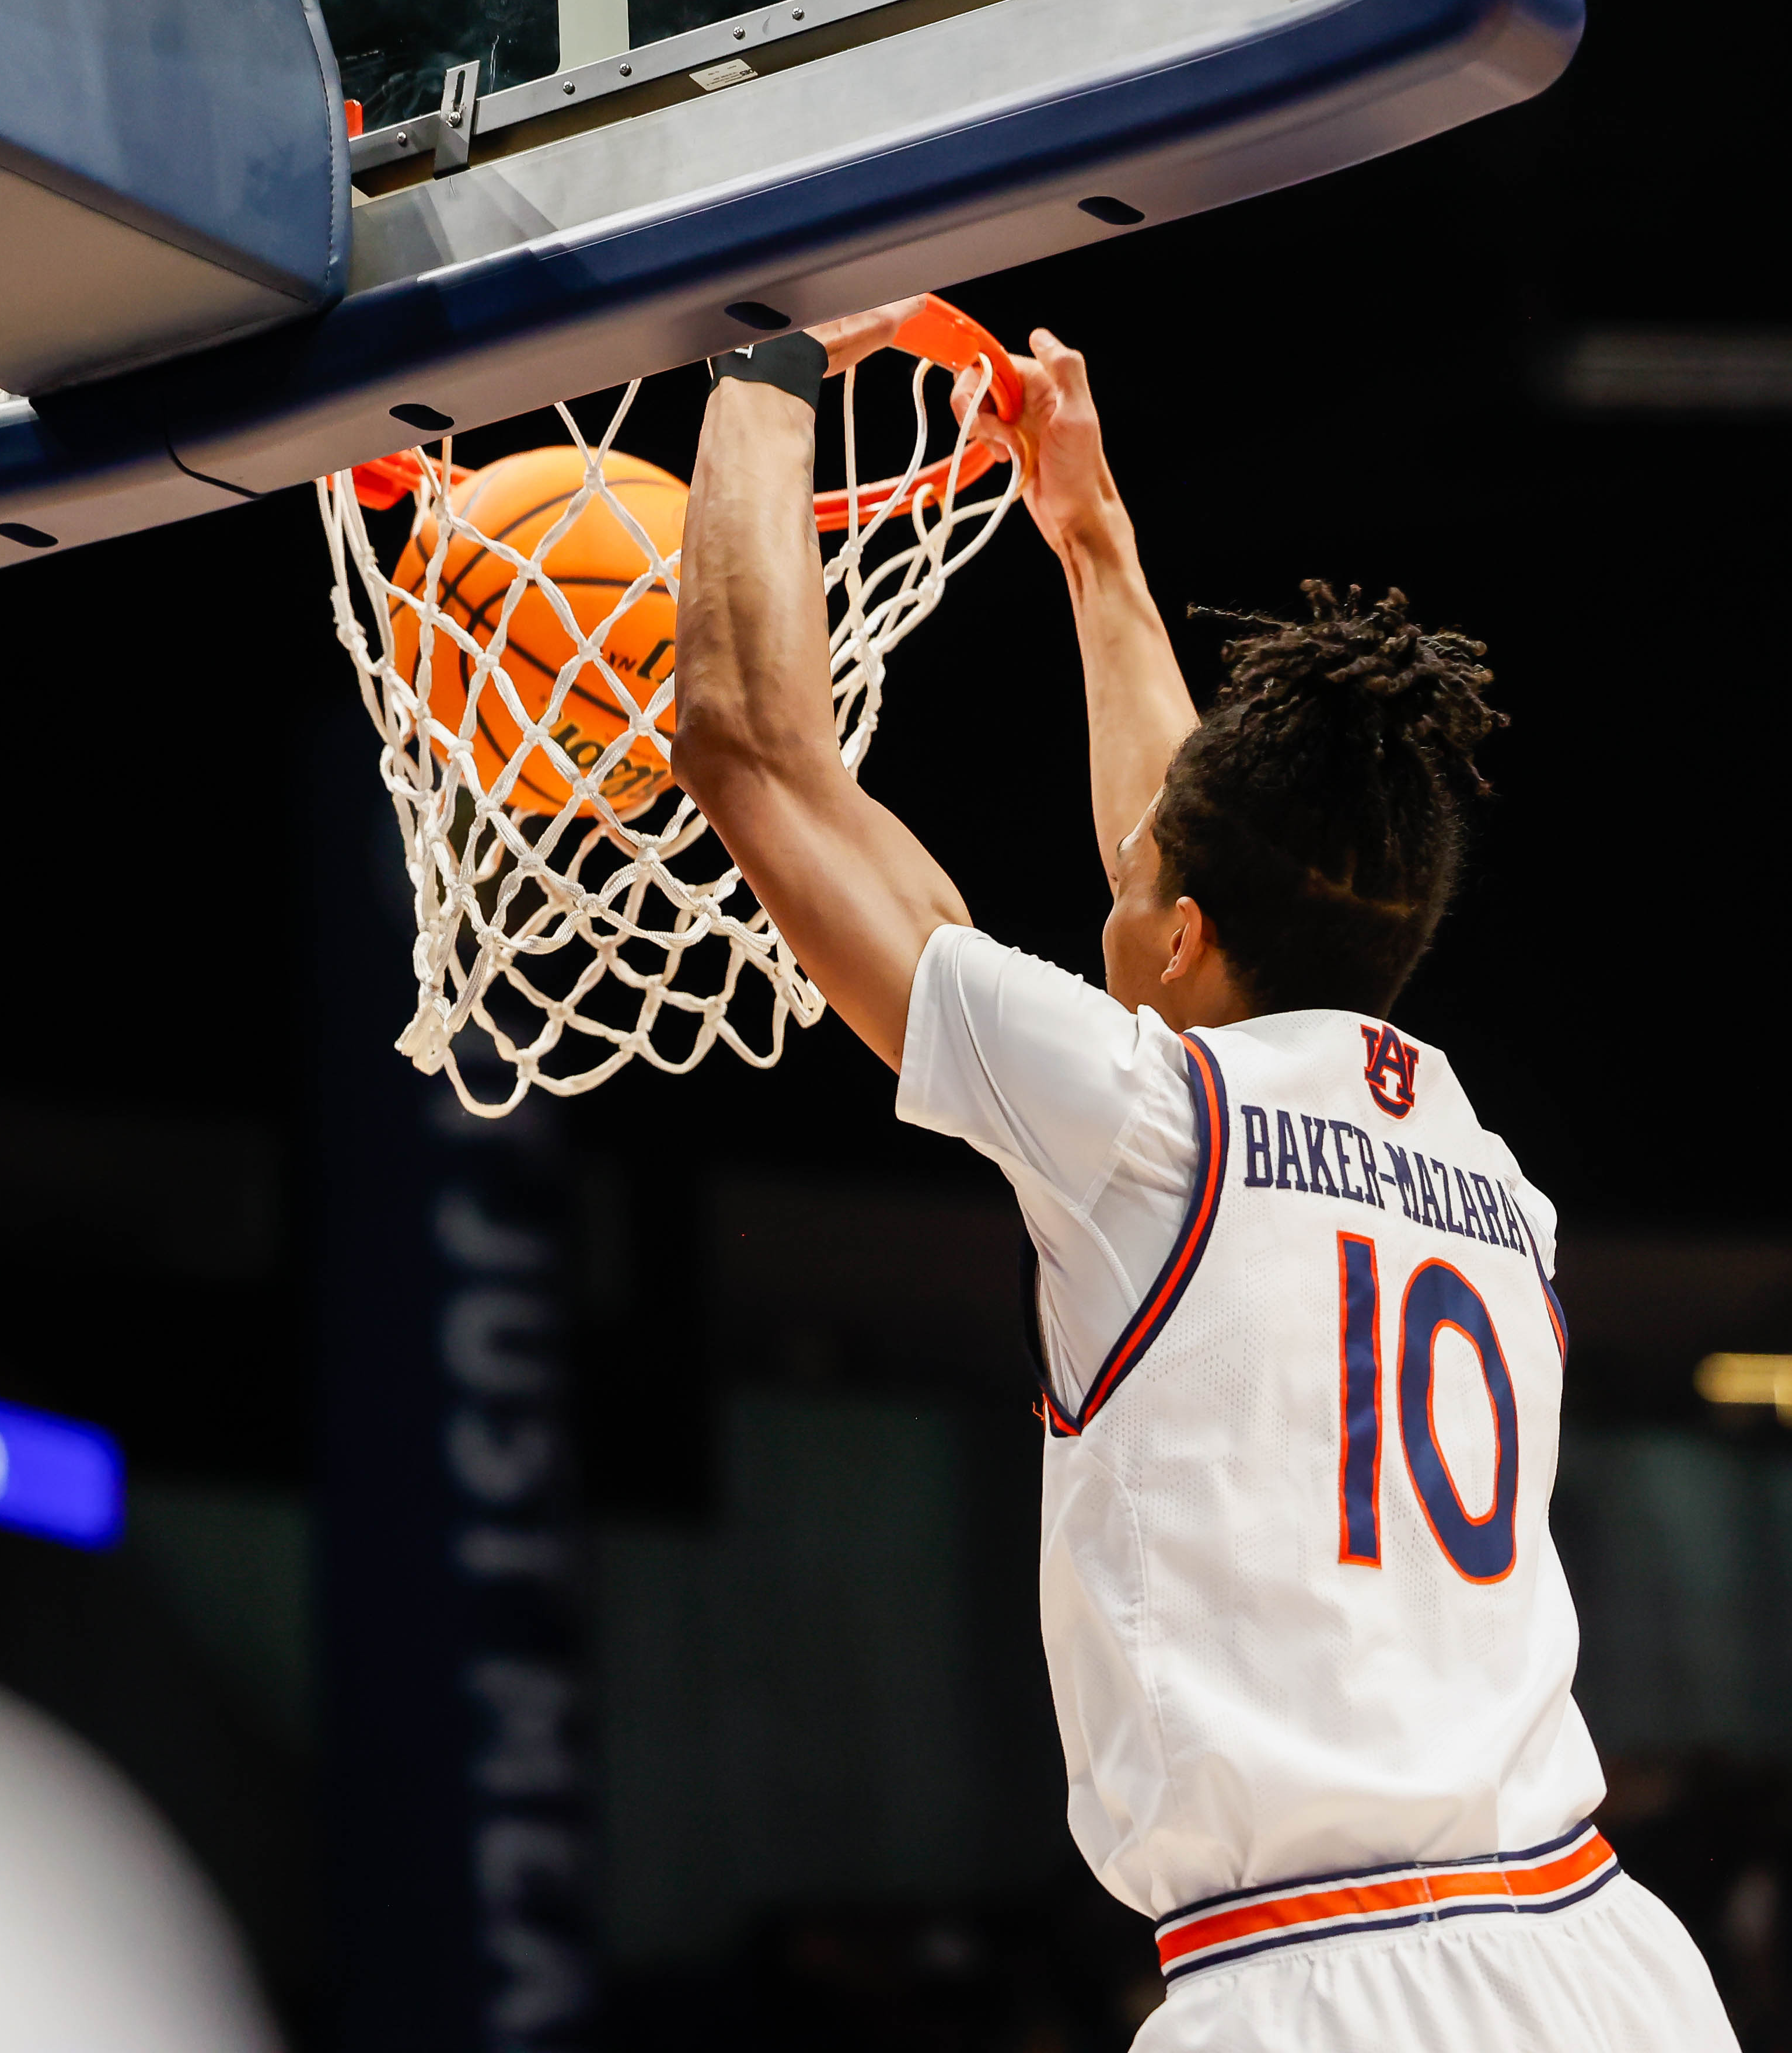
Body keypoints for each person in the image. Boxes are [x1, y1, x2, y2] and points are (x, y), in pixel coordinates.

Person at [671, 302, 1738, 2053]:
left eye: (1134, 886)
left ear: (1175, 936)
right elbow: (1188, 856)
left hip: (1322, 1991)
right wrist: (1090, 535)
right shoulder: (1485, 1170)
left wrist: (762, 363)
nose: (1113, 899)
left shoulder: (1151, 1134)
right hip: (1600, 1947)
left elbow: (747, 745)